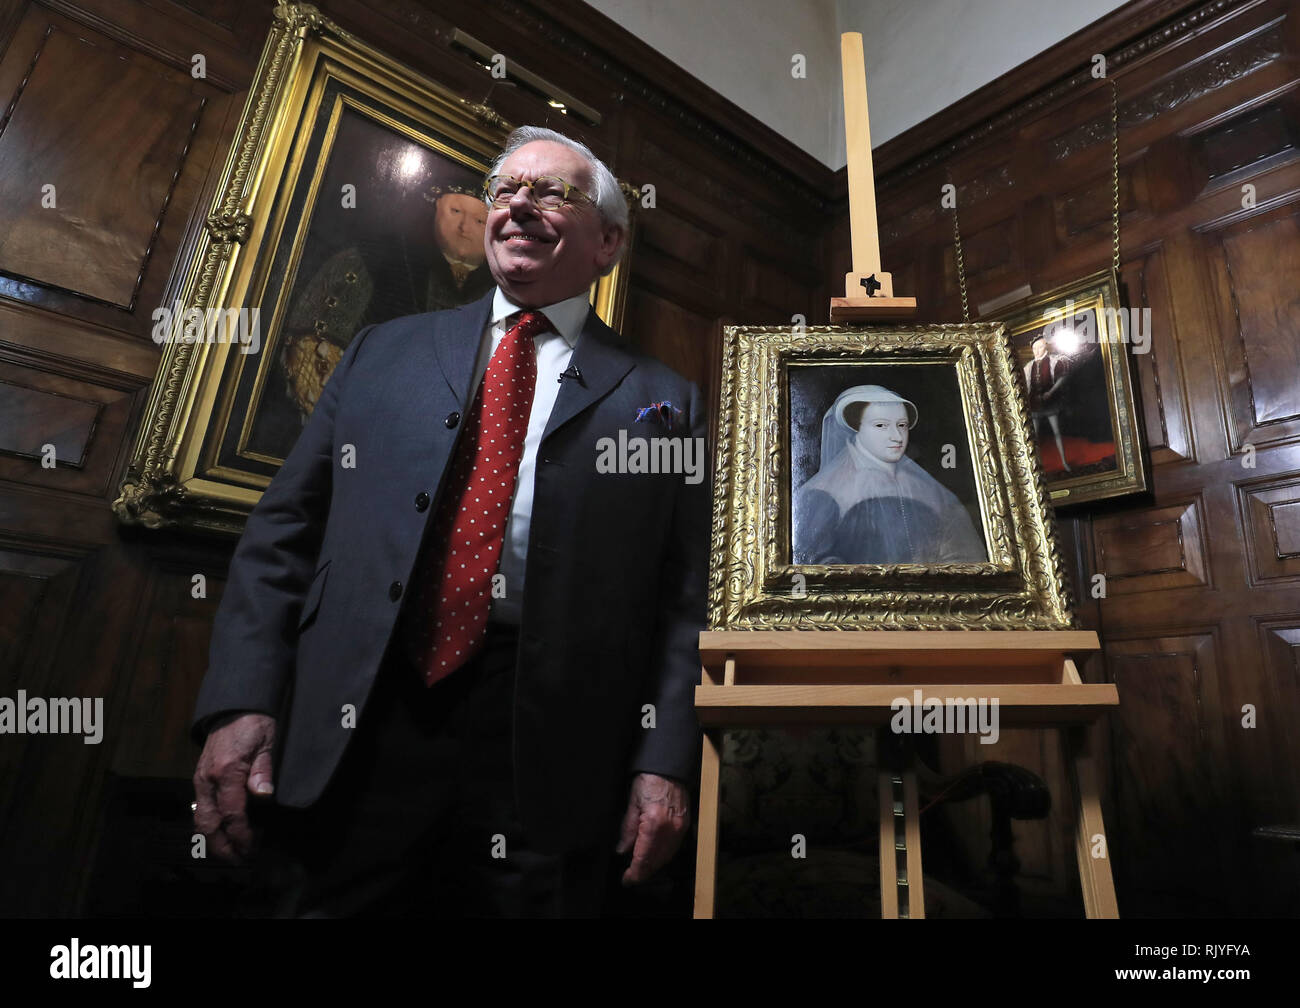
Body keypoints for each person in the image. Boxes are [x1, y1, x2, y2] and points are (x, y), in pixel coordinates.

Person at [191, 125, 708, 917]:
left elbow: (683, 600)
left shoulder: (663, 402)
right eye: (508, 189)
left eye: (552, 192)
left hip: (547, 750)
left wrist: (665, 763)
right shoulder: (379, 352)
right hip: (359, 718)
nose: (519, 206)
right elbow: (283, 534)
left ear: (606, 242)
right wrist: (239, 702)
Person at [792, 384, 985, 565]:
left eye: (902, 425)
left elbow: (966, 557)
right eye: (881, 425)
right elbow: (814, 568)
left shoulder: (927, 487)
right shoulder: (823, 492)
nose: (897, 436)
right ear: (857, 427)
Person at [1023, 335, 1072, 473]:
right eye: (1034, 348)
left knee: (1057, 432)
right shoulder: (1029, 366)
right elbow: (1026, 385)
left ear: (1045, 347)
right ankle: (1037, 465)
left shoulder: (1054, 362)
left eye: (1039, 347)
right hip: (1034, 404)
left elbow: (1062, 378)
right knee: (1035, 435)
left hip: (1050, 402)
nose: (1036, 351)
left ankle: (1064, 462)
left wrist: (1050, 392)